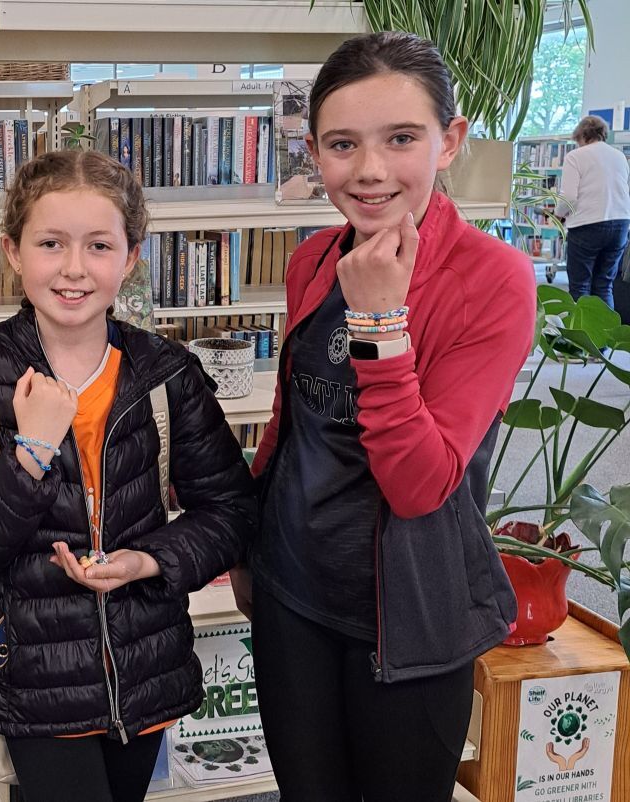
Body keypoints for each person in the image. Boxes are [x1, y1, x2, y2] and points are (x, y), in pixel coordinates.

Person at [231, 32, 536, 802]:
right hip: (293, 591)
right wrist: (248, 541)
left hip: (409, 615)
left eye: (401, 138)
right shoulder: (313, 259)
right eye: (342, 144)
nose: (369, 171)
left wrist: (378, 325)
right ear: (314, 151)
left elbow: (422, 485)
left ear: (449, 141)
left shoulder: (492, 280)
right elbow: (291, 417)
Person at [0, 149, 258, 802]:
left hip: (145, 665)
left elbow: (232, 512)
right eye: (51, 243)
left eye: (99, 245)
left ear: (131, 256)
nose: (74, 268)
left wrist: (149, 560)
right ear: (13, 252)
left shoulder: (166, 373)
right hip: (34, 677)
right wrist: (30, 455)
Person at [558, 114, 630, 307]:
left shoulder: (575, 156)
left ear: (581, 136)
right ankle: (606, 335)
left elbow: (569, 197)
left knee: (580, 286)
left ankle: (581, 336)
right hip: (621, 224)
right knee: (604, 285)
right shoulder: (620, 156)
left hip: (587, 226)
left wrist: (558, 215)